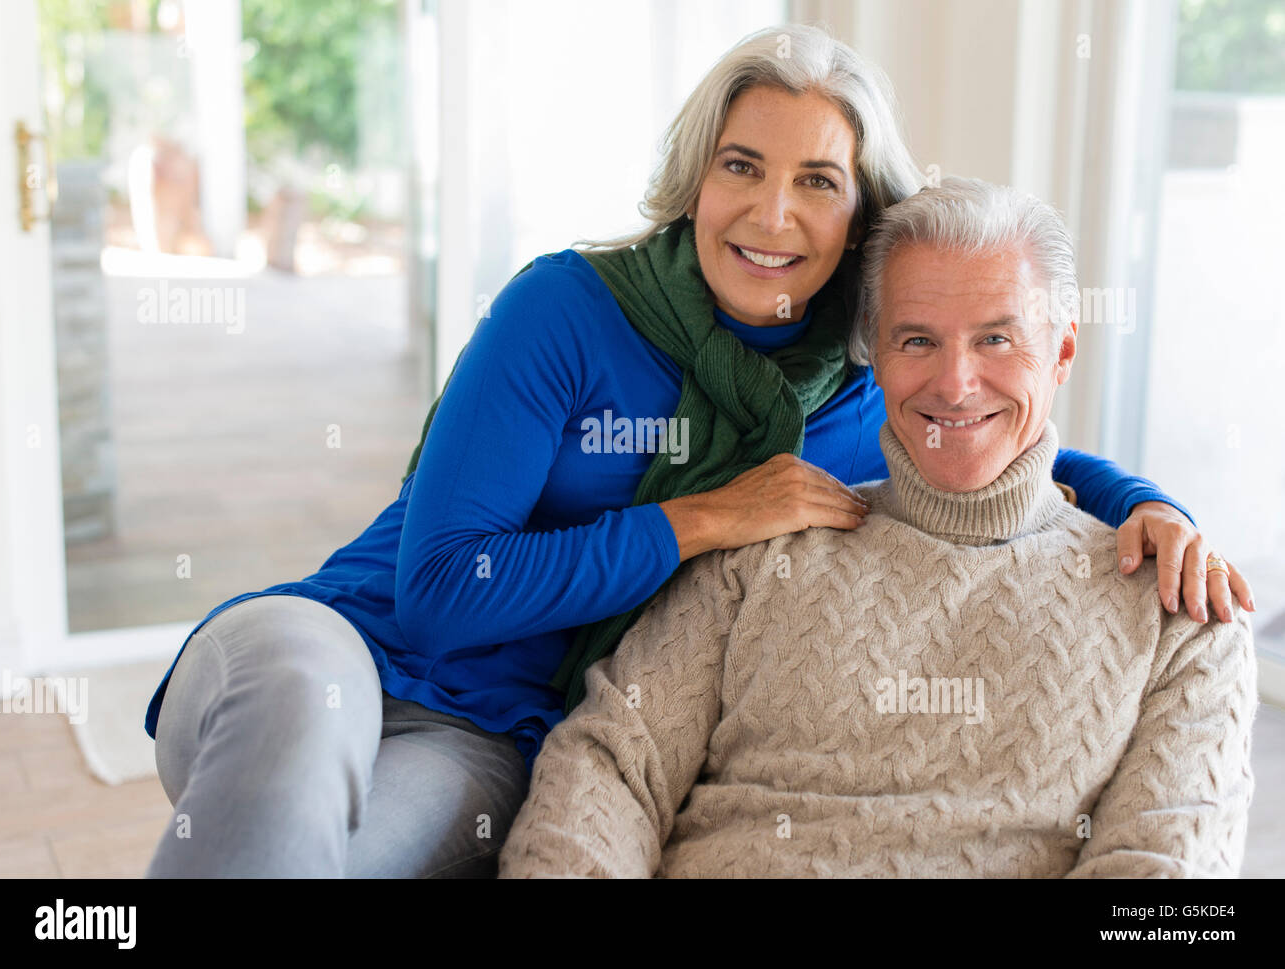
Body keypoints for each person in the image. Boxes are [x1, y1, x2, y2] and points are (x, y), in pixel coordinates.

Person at [143, 24, 1253, 878]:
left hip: (494, 734)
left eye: (817, 180)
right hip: (344, 641)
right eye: (740, 165)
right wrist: (701, 518)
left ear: (859, 215)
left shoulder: (864, 379)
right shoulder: (566, 308)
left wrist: (1152, 504)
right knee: (294, 713)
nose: (771, 212)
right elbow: (436, 591)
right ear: (695, 178)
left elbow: (992, 434)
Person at [498, 177, 1258, 878]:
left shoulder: (1179, 614)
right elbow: (609, 764)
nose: (956, 385)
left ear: (1060, 353)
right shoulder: (766, 548)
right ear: (877, 361)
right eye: (918, 339)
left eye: (996, 338)